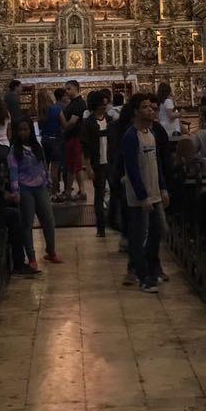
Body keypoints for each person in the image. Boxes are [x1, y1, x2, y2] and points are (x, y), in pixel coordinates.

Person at [121, 93, 169, 292]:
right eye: (145, 107)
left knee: (158, 232)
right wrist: (143, 196)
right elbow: (131, 169)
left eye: (151, 107)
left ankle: (150, 269)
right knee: (139, 236)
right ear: (136, 111)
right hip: (140, 197)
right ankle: (142, 277)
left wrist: (163, 187)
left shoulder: (151, 133)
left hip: (155, 192)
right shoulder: (131, 136)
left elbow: (156, 163)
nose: (150, 110)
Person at [9, 116, 61, 270]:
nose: (23, 133)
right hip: (25, 188)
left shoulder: (37, 146)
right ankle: (31, 257)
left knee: (49, 220)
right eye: (20, 130)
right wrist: (15, 191)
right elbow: (13, 171)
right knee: (27, 223)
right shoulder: (14, 150)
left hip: (40, 187)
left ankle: (51, 251)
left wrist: (47, 180)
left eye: (26, 129)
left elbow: (43, 164)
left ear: (31, 130)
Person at [82, 90, 111, 237]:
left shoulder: (110, 120)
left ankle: (114, 221)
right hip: (97, 163)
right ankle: (101, 227)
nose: (105, 105)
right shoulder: (89, 123)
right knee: (99, 195)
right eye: (102, 103)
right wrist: (88, 167)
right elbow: (86, 148)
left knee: (115, 192)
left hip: (111, 162)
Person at [62, 79, 87, 201]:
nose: (66, 91)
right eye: (66, 89)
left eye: (69, 89)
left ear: (76, 88)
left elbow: (72, 122)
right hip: (72, 136)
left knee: (72, 165)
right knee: (76, 165)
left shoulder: (79, 103)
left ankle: (68, 191)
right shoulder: (73, 102)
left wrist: (64, 126)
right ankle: (82, 190)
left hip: (75, 136)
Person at [42, 87, 68, 197]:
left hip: (44, 140)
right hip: (56, 141)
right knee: (55, 169)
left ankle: (44, 190)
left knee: (44, 167)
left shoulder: (41, 111)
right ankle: (54, 191)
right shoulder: (56, 109)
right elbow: (64, 125)